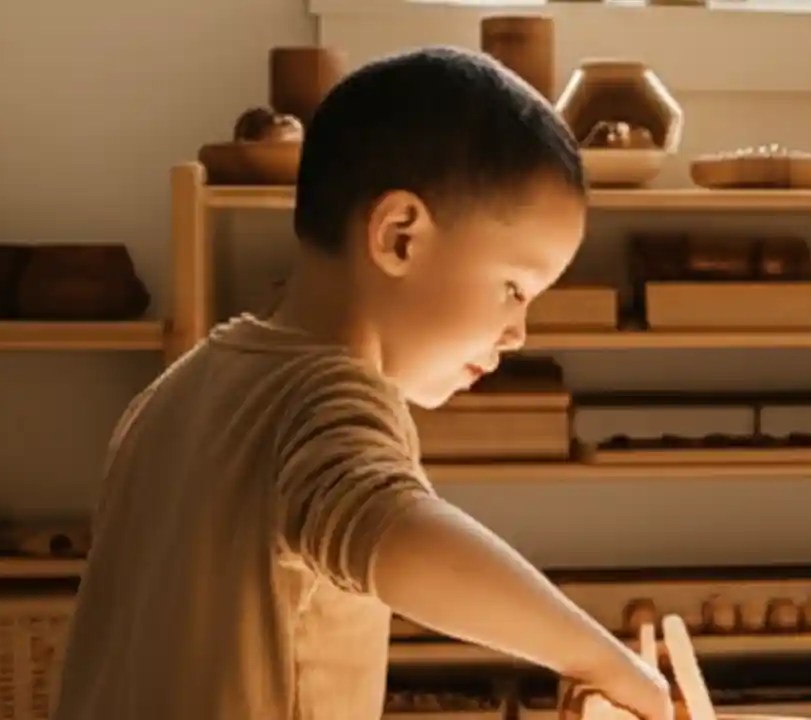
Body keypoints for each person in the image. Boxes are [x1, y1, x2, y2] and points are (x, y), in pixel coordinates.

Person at [52, 45, 673, 720]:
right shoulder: (327, 396)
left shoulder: (175, 391)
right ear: (400, 236)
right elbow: (392, 531)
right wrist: (603, 660)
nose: (519, 331)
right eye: (513, 289)